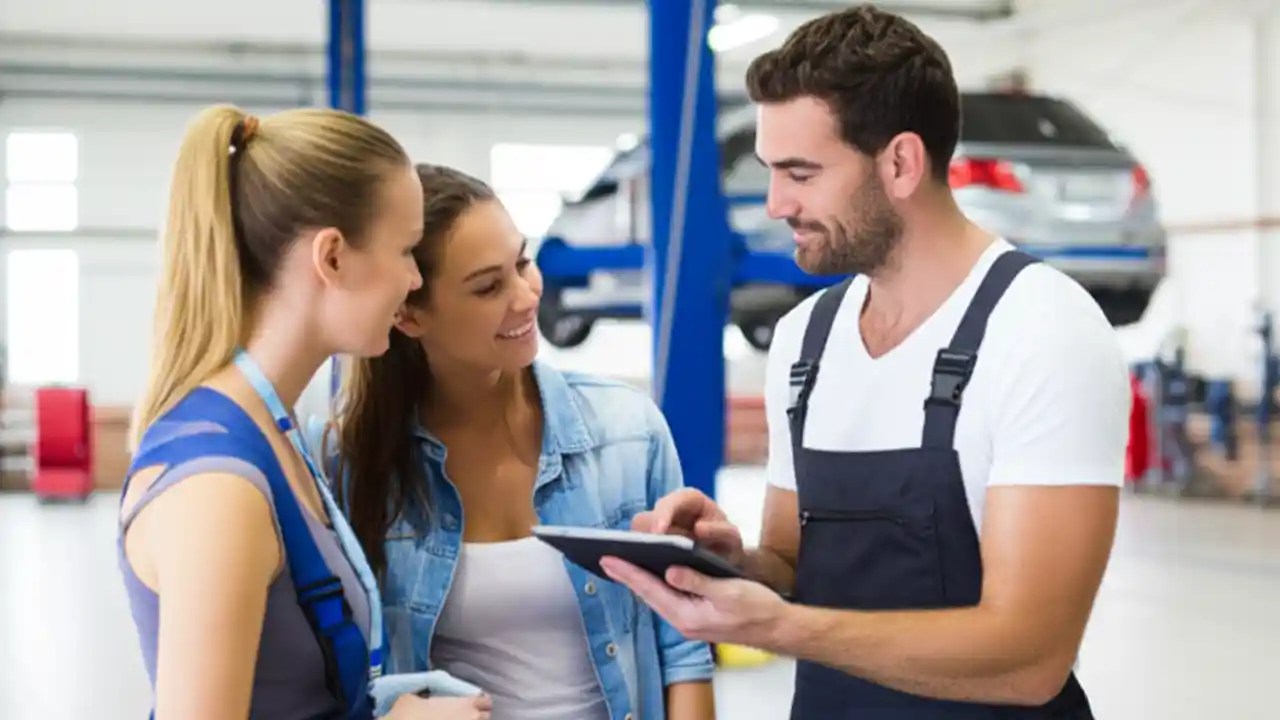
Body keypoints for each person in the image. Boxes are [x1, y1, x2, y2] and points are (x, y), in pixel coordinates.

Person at [600, 5, 1130, 719]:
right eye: (771, 171)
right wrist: (731, 563)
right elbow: (795, 570)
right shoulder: (804, 340)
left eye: (801, 172)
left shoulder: (1041, 330)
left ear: (901, 163)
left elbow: (1030, 658)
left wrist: (778, 627)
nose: (777, 202)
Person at [118, 105, 491, 720]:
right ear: (333, 258)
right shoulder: (219, 490)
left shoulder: (273, 436)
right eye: (404, 251)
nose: (412, 278)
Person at [306, 164, 718, 720]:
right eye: (488, 286)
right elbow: (329, 680)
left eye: (522, 262)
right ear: (408, 313)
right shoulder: (347, 464)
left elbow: (685, 651)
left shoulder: (626, 431)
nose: (526, 297)